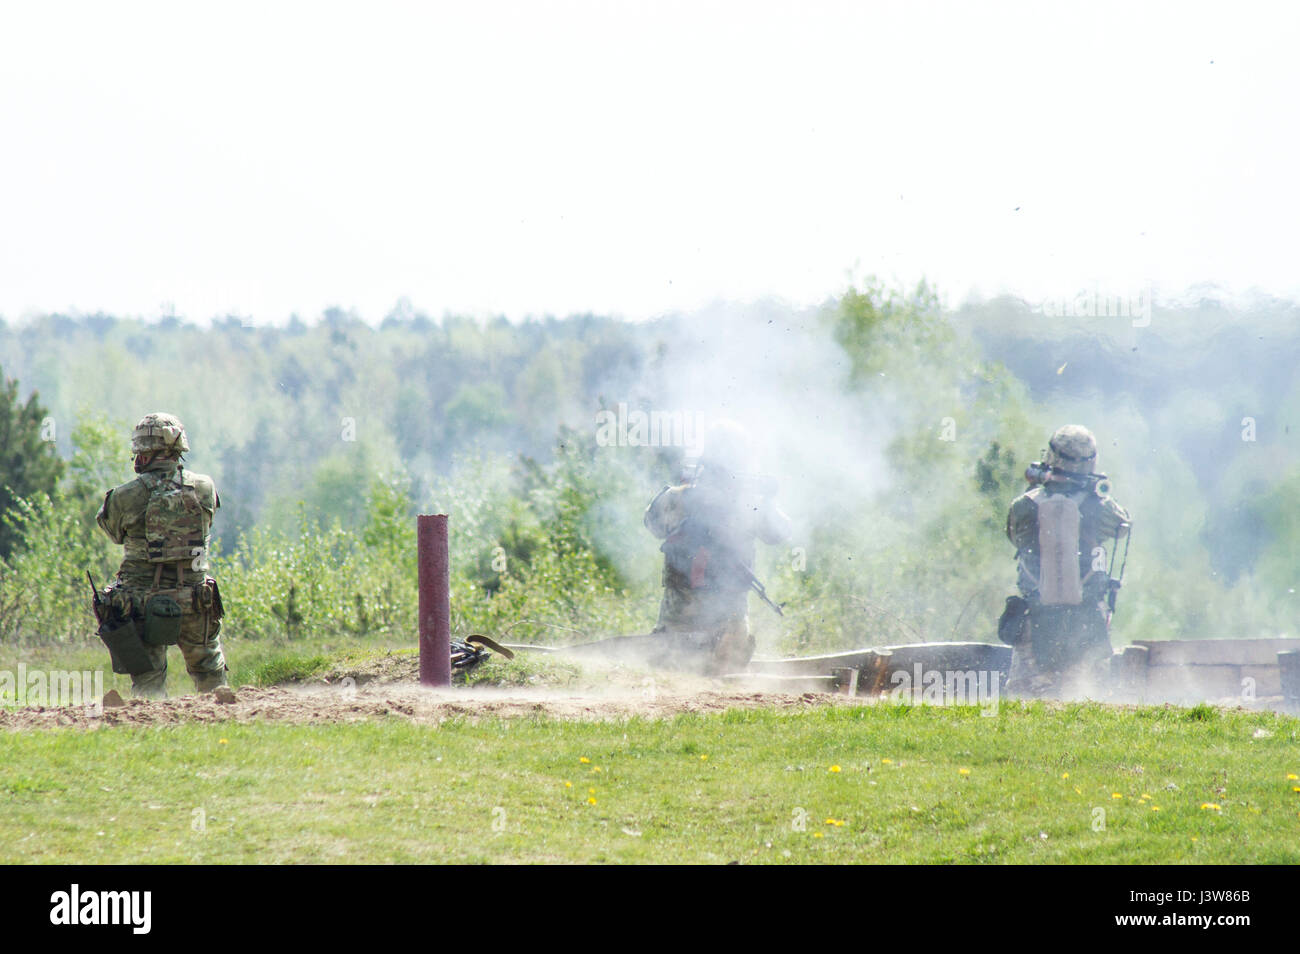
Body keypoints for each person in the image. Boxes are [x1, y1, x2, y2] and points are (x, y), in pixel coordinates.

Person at [93, 413, 228, 698]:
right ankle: (223, 714)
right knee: (209, 671)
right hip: (195, 599)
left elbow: (114, 533)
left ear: (143, 452)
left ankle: (152, 724)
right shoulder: (205, 487)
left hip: (142, 603)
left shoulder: (125, 496)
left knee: (147, 680)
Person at [643, 422, 791, 675]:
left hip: (704, 631)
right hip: (702, 630)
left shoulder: (680, 497)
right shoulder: (742, 504)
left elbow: (652, 524)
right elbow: (779, 533)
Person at [1000, 425, 1130, 697]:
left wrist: (1036, 483)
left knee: (1022, 704)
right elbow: (1122, 527)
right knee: (1085, 701)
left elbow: (1014, 535)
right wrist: (1094, 494)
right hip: (1085, 621)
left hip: (1035, 620)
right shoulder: (1099, 507)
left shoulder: (1025, 505)